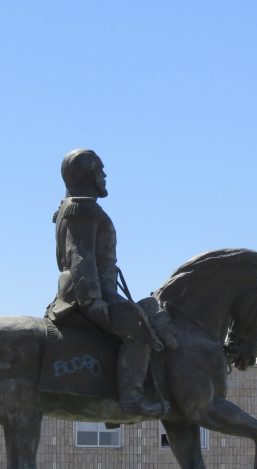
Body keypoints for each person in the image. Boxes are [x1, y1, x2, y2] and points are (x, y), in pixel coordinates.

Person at [46, 149, 167, 417]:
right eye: (100, 170)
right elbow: (81, 255)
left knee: (149, 307)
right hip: (86, 291)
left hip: (94, 288)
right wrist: (93, 298)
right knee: (139, 329)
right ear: (88, 175)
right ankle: (131, 400)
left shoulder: (69, 206)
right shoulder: (83, 208)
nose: (105, 175)